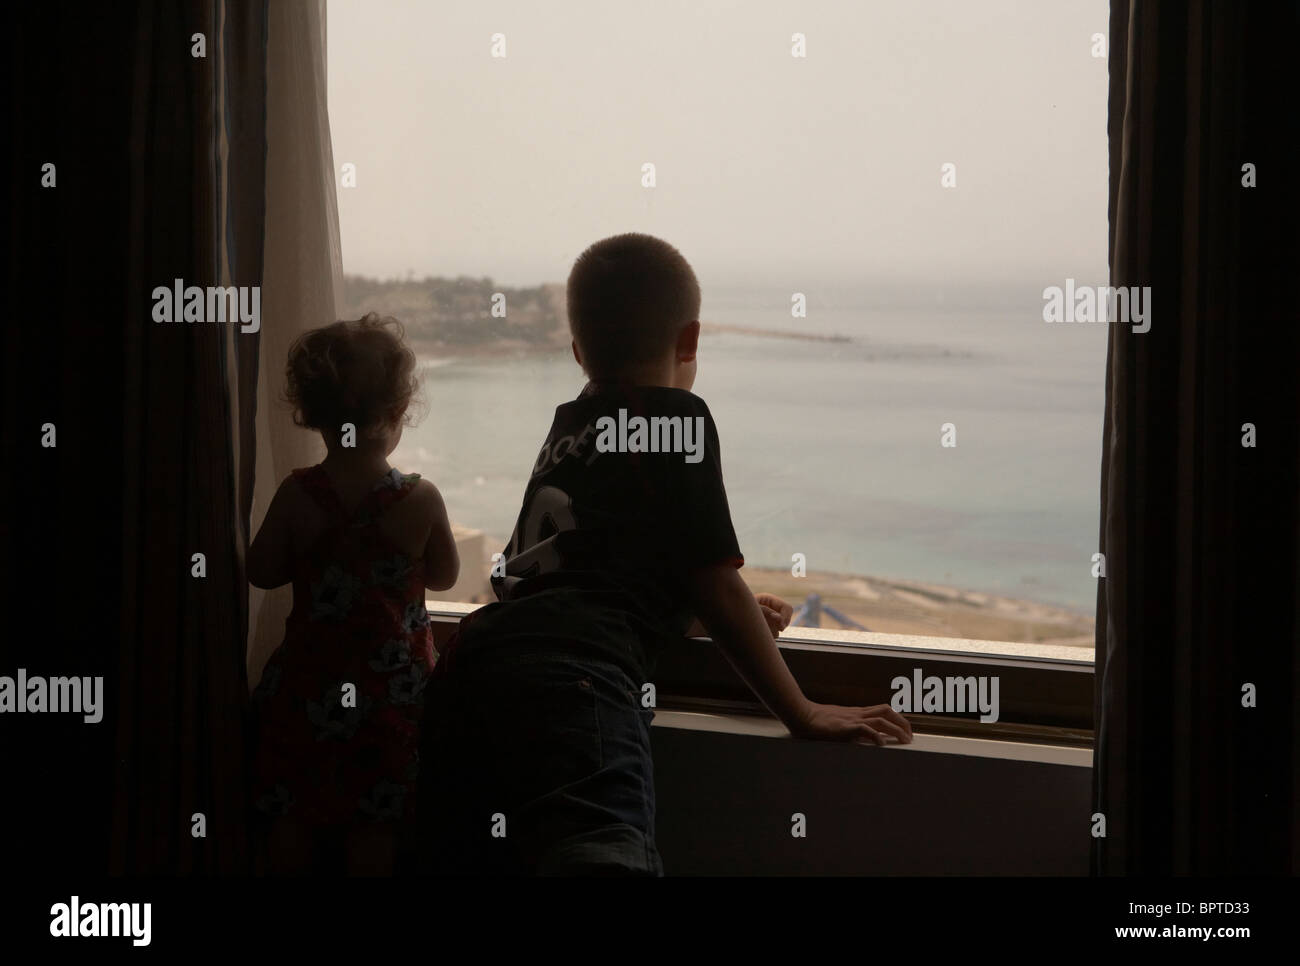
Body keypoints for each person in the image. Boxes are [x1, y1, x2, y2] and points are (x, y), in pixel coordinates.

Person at [414, 233, 912, 876]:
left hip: (472, 668)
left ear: (576, 352)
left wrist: (694, 613)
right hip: (576, 682)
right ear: (691, 342)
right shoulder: (678, 417)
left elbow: (588, 565)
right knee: (597, 854)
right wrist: (804, 711)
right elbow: (710, 576)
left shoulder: (571, 423)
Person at [247, 313, 459, 875]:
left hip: (308, 686)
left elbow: (261, 571)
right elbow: (443, 577)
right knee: (376, 830)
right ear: (397, 414)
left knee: (292, 818)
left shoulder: (299, 494)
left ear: (312, 415)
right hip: (394, 698)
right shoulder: (420, 498)